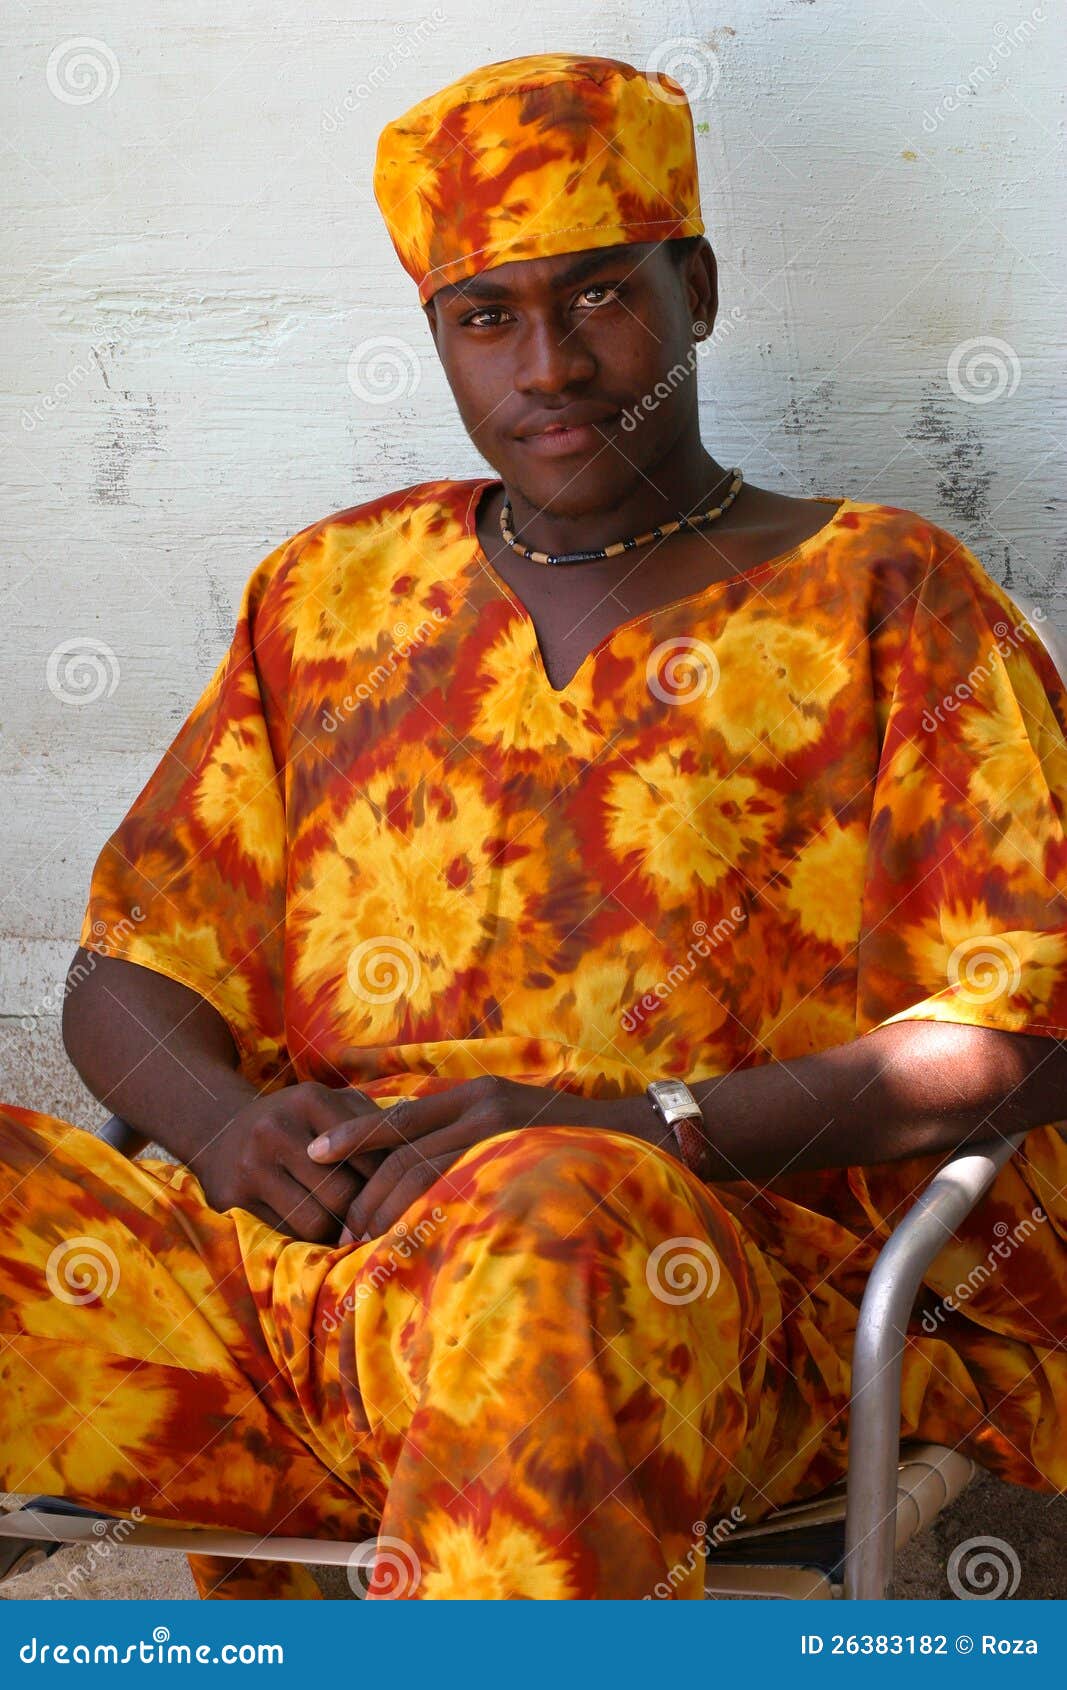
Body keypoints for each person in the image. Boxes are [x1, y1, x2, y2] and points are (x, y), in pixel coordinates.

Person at [2, 51, 1066, 1603]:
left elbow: (1029, 1030)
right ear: (436, 336)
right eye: (485, 314)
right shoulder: (330, 597)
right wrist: (232, 1131)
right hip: (304, 1301)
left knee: (557, 1220)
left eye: (599, 295)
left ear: (693, 289)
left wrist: (649, 1127)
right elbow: (126, 969)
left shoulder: (887, 598)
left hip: (668, 1292)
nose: (550, 363)